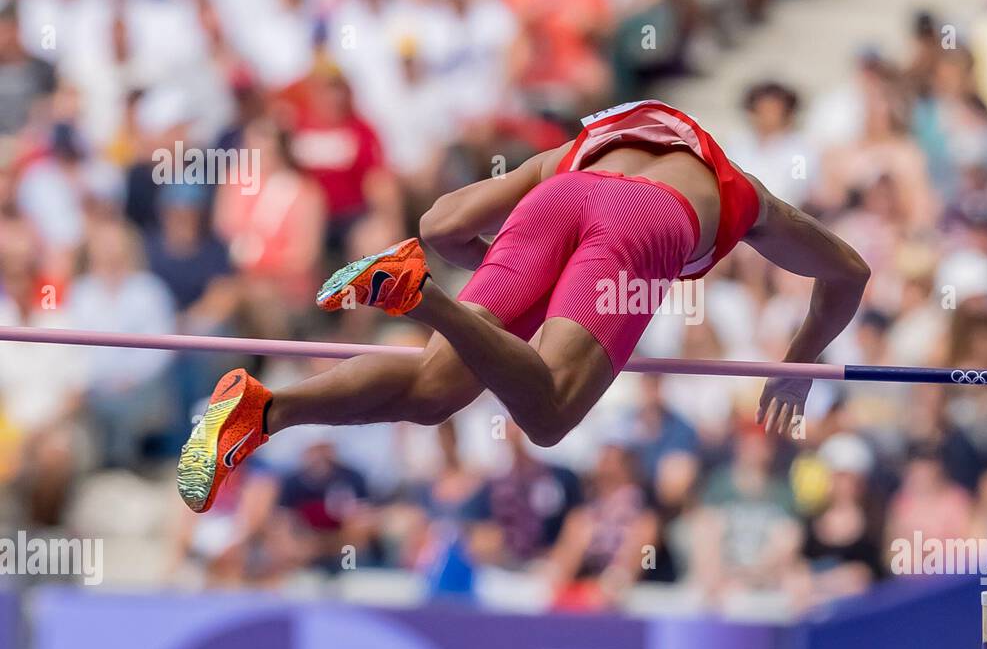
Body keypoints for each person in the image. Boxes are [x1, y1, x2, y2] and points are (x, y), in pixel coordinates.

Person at [177, 99, 871, 513]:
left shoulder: (577, 152)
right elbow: (848, 271)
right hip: (649, 223)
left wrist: (526, 287)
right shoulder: (740, 190)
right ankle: (427, 301)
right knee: (549, 414)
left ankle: (264, 410)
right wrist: (799, 364)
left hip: (553, 204)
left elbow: (442, 223)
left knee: (431, 389)